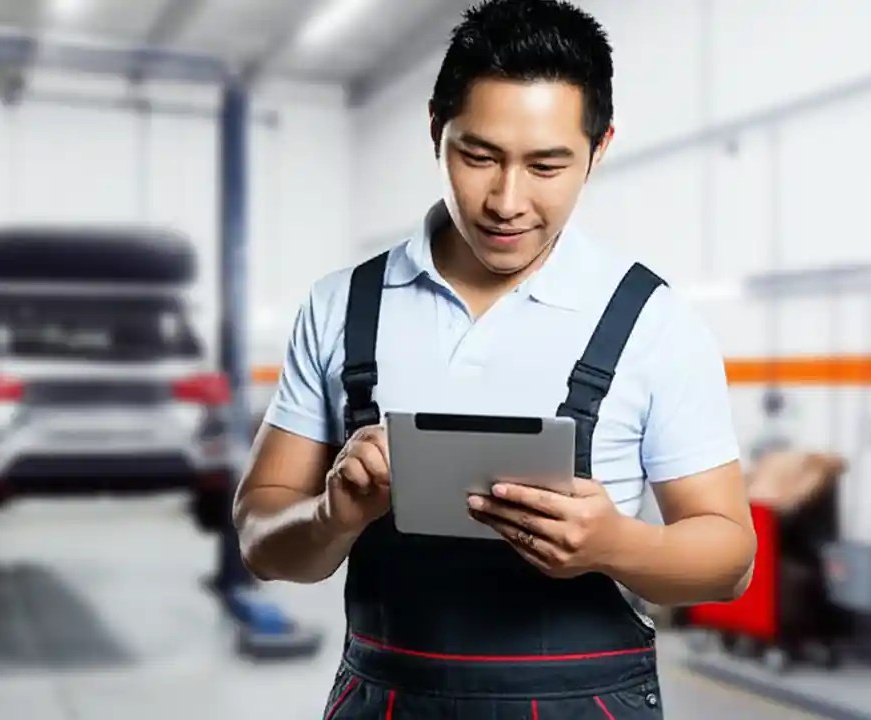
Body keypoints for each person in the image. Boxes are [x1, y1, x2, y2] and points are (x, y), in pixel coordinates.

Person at [232, 1, 757, 717]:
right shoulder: (342, 307)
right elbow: (262, 538)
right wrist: (333, 514)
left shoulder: (652, 322)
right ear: (434, 133)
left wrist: (612, 544)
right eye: (477, 156)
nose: (507, 201)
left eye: (547, 165)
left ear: (599, 148)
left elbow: (729, 558)